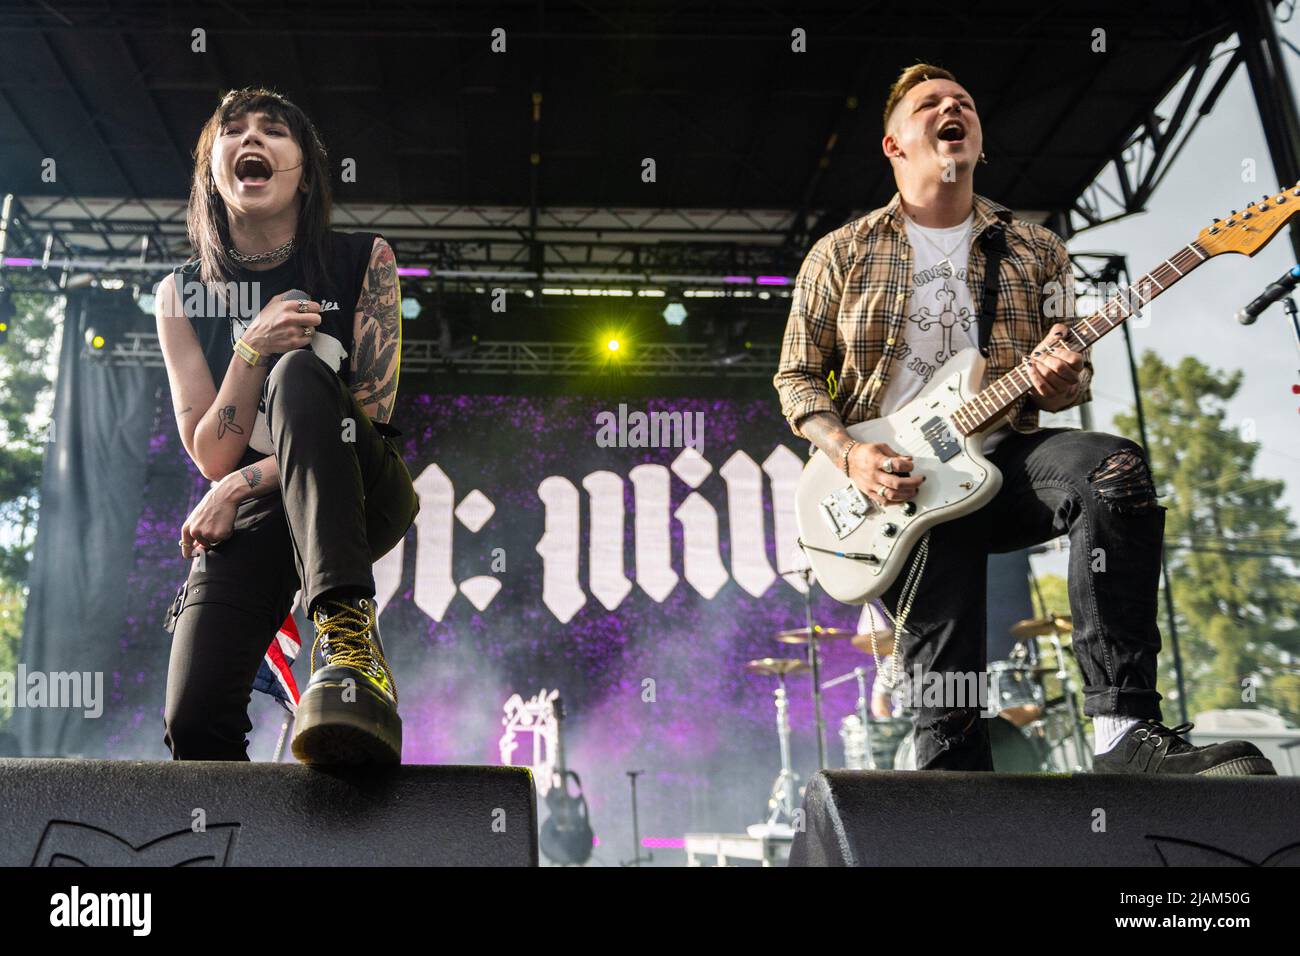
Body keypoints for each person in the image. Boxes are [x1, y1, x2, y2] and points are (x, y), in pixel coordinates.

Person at [775, 64, 1274, 775]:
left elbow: (1070, 383)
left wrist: (1065, 374)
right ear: (894, 145)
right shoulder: (842, 252)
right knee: (950, 749)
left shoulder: (1036, 249)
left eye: (966, 104)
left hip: (1007, 462)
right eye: (931, 105)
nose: (954, 110)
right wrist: (852, 456)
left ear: (977, 141)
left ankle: (1122, 731)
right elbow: (797, 378)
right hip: (897, 486)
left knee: (1113, 469)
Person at [156, 88, 419, 765]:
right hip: (260, 516)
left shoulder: (366, 259)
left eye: (274, 131)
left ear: (304, 167)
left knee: (301, 376)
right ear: (211, 166)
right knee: (194, 720)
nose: (253, 139)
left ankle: (347, 638)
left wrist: (236, 482)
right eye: (234, 130)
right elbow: (213, 454)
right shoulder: (179, 294)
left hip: (357, 489)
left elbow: (370, 422)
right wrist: (253, 346)